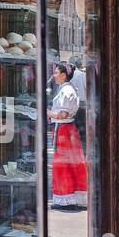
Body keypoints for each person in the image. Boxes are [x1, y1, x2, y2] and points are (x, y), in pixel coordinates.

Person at [49, 61, 88, 208]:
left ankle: (67, 197)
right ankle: (72, 197)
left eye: (56, 72)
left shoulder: (67, 91)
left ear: (64, 75)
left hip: (65, 129)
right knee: (69, 163)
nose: (54, 75)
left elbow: (63, 114)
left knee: (63, 164)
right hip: (66, 129)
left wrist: (46, 112)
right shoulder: (66, 89)